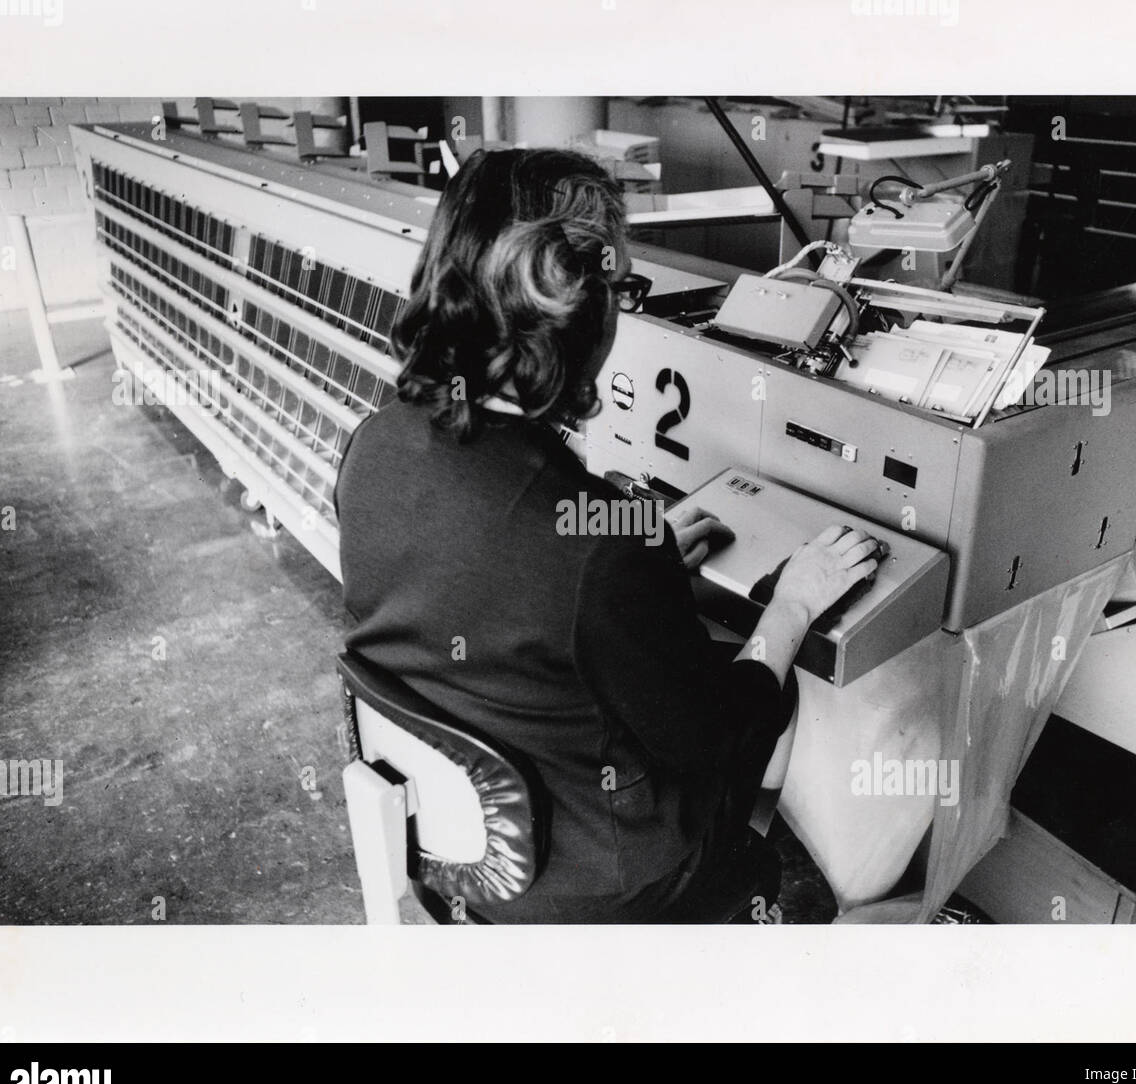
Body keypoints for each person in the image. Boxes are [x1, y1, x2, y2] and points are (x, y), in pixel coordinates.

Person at [334, 147, 880, 923]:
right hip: (599, 892)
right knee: (770, 693)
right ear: (585, 314)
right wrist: (789, 607)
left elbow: (495, 567)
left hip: (457, 840)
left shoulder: (374, 445)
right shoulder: (600, 557)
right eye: (621, 290)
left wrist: (638, 545)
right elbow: (712, 735)